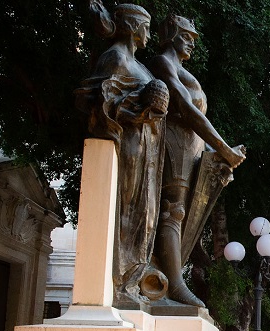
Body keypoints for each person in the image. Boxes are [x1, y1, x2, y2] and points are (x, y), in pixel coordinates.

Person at [75, 1, 169, 307]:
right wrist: (141, 101)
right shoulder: (114, 58)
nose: (149, 33)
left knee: (146, 214)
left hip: (147, 150)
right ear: (132, 26)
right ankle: (118, 282)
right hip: (127, 144)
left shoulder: (138, 65)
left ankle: (130, 282)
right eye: (146, 26)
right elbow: (96, 99)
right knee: (126, 209)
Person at [147, 15, 246, 307]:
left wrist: (219, 156)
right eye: (186, 35)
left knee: (185, 215)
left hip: (190, 146)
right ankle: (174, 284)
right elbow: (187, 109)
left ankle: (172, 278)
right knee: (173, 211)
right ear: (171, 35)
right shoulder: (162, 63)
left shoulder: (177, 67)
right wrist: (225, 148)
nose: (191, 42)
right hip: (175, 141)